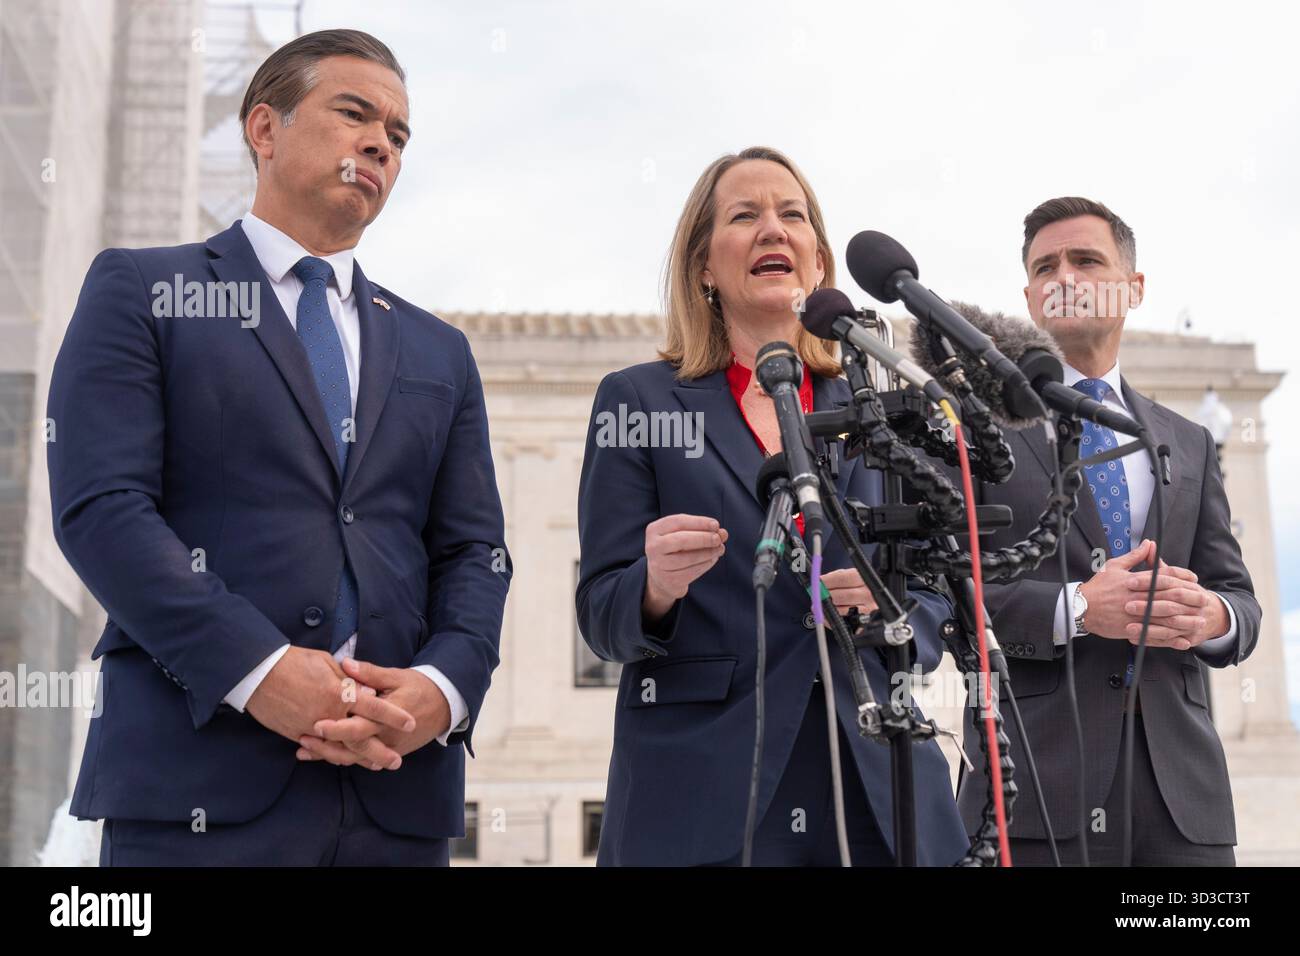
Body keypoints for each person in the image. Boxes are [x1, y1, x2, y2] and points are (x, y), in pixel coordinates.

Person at [46, 29, 510, 866]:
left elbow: (475, 551)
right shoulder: (144, 290)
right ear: (265, 128)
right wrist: (260, 671)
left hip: (396, 795)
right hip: (197, 788)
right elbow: (101, 512)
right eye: (354, 114)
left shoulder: (441, 352)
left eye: (398, 137)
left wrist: (440, 692)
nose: (380, 143)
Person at [576, 146, 968, 866]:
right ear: (703, 265)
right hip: (705, 794)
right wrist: (655, 587)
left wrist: (897, 614)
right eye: (744, 216)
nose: (773, 230)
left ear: (819, 263)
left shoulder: (886, 404)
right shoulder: (636, 401)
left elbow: (944, 589)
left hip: (880, 783)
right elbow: (602, 614)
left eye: (793, 216)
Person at [954, 197, 1260, 865]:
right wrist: (1081, 609)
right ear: (1030, 299)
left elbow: (1241, 600)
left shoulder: (1192, 443)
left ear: (1134, 287)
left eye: (1087, 260)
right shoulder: (973, 430)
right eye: (1046, 267)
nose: (1065, 277)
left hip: (1184, 806)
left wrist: (1211, 617)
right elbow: (945, 596)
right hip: (1033, 795)